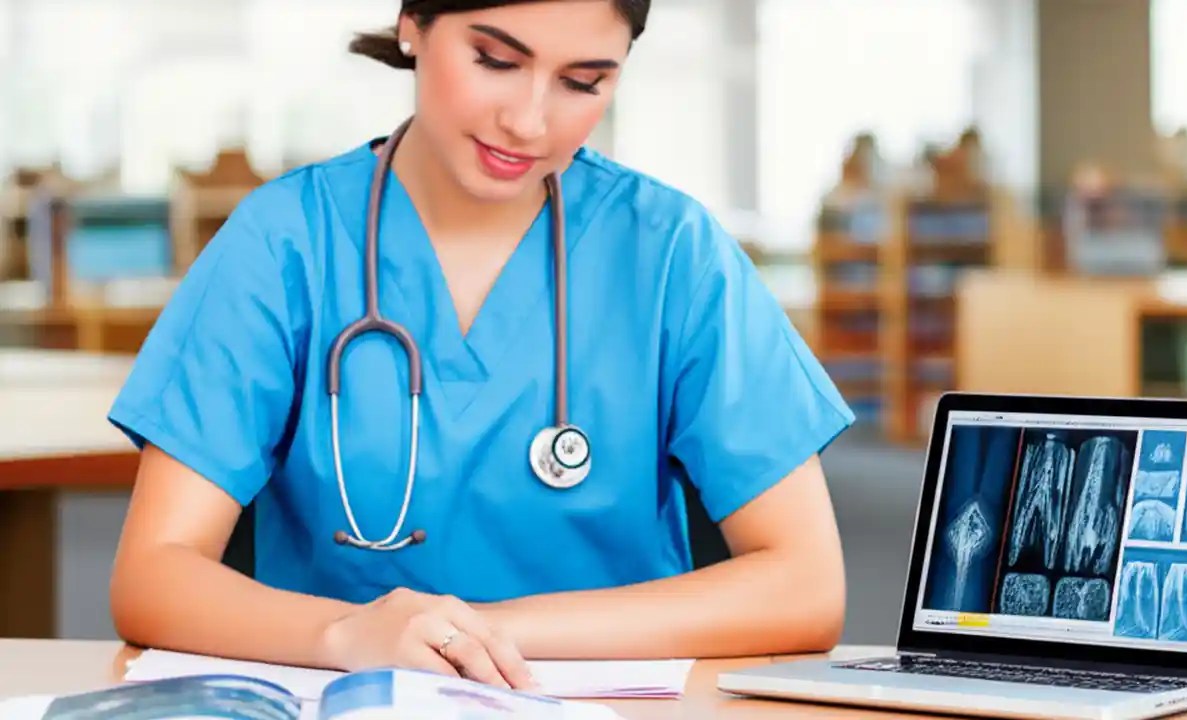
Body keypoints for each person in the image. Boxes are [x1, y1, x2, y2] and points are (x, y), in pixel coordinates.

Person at [107, 0, 853, 692]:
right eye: (495, 61)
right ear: (412, 23)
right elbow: (153, 574)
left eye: (583, 82)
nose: (529, 121)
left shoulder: (668, 253)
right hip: (347, 699)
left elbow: (805, 584)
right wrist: (347, 634)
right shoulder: (283, 242)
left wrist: (480, 636)